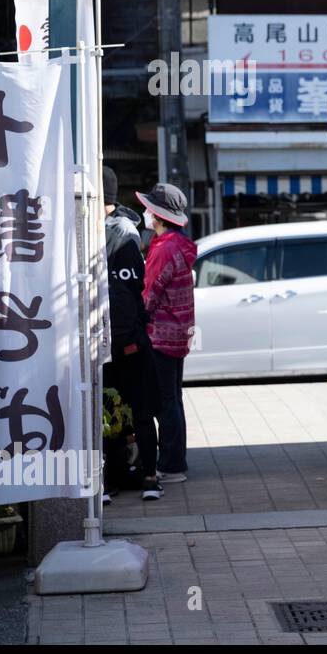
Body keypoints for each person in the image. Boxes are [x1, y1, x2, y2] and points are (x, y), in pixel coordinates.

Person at [101, 167, 162, 501]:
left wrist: (125, 336)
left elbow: (129, 292)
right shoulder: (120, 231)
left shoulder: (122, 234)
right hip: (116, 340)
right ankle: (124, 477)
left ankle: (147, 476)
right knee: (113, 411)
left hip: (122, 342)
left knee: (132, 411)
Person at [137, 183, 197, 484]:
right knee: (174, 398)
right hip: (179, 332)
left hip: (160, 332)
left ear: (159, 216)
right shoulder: (182, 245)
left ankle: (172, 466)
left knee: (165, 401)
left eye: (150, 209)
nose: (146, 213)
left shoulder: (164, 248)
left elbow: (149, 295)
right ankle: (177, 461)